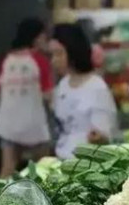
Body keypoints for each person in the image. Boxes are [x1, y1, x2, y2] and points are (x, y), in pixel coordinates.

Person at [0, 18, 53, 178]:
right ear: (35, 37)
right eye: (43, 36)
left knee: (7, 169)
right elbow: (48, 94)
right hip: (33, 125)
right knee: (43, 168)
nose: (45, 40)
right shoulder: (39, 60)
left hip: (8, 125)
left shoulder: (7, 60)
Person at [50, 23, 118, 159]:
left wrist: (98, 138)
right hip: (62, 159)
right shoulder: (63, 84)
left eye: (59, 54)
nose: (53, 60)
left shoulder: (97, 87)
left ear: (74, 51)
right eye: (52, 54)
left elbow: (105, 136)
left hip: (86, 165)